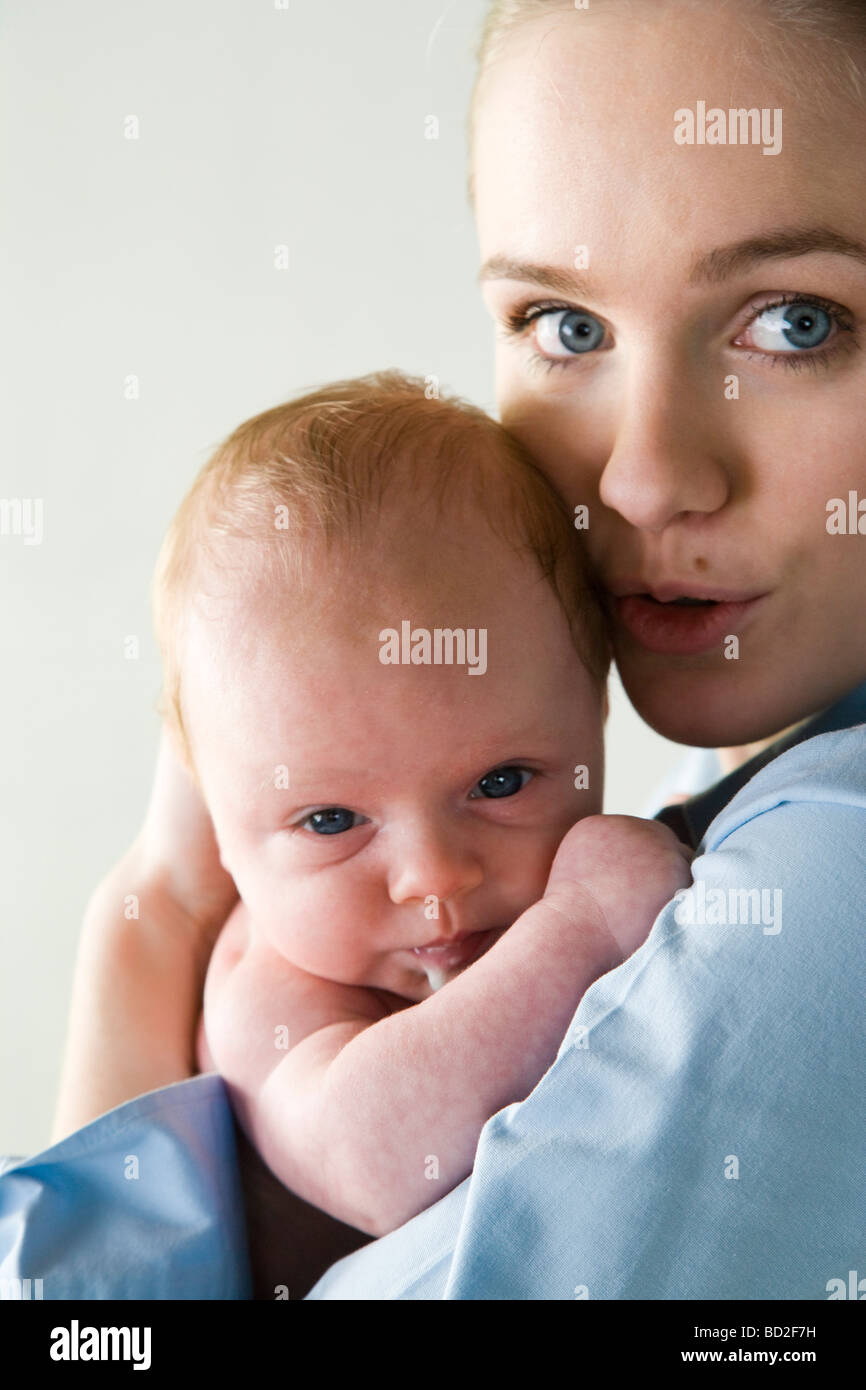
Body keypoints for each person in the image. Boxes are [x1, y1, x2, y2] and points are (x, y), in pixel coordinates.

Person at [3, 0, 865, 1300]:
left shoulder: (823, 881)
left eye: (794, 321)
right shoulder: (717, 828)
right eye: (565, 327)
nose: (639, 478)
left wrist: (153, 919)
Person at [154, 371, 691, 1238]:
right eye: (331, 821)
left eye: (502, 783)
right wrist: (587, 925)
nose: (435, 875)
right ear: (214, 818)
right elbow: (371, 1157)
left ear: (594, 707)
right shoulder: (275, 985)